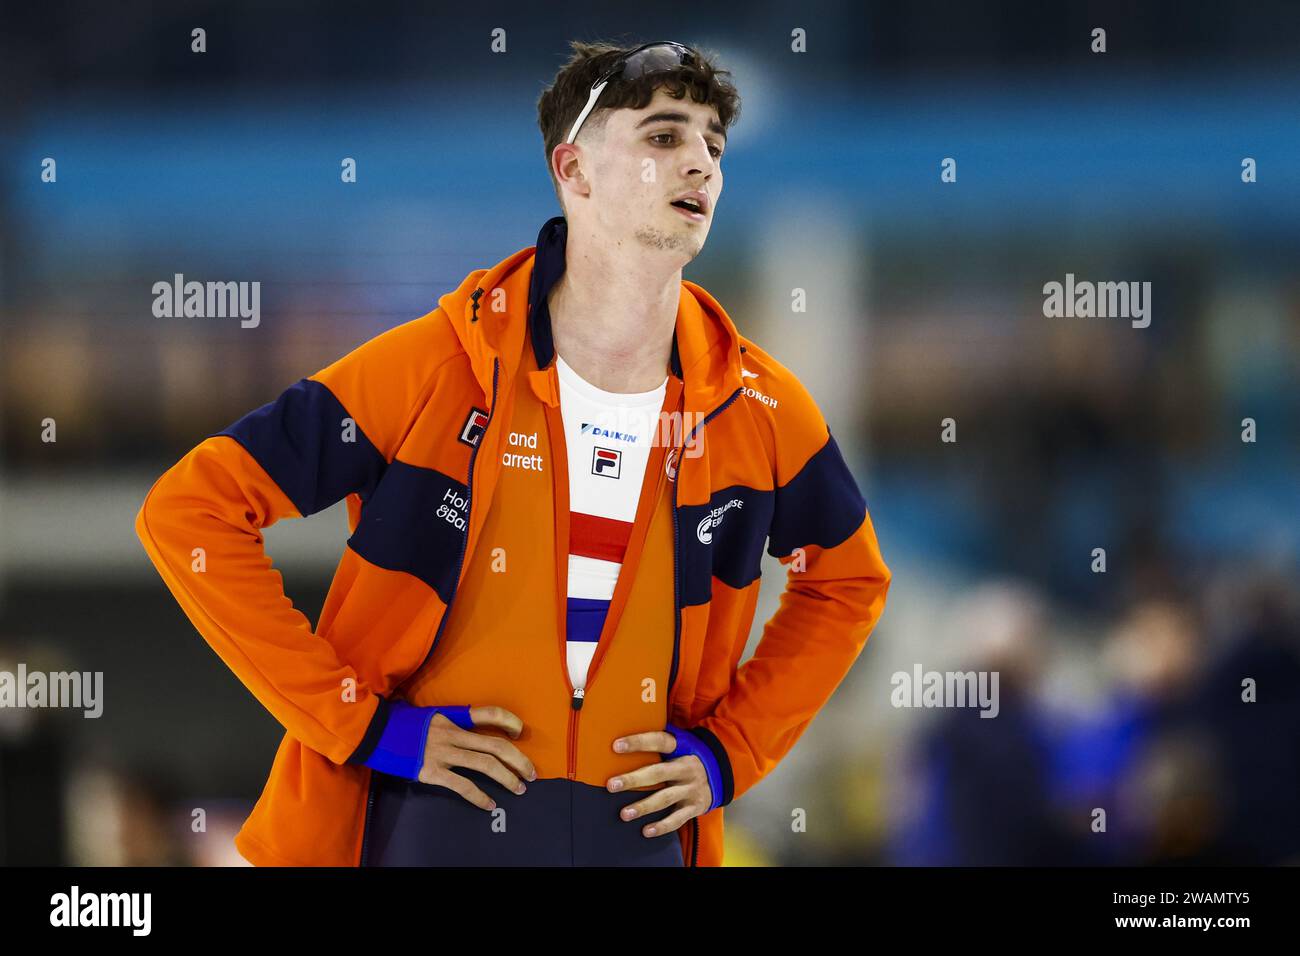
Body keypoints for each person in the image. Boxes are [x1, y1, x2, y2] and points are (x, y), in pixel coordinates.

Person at [134, 38, 891, 866]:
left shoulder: (761, 406)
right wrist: (360, 724)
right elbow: (190, 514)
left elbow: (847, 581)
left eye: (714, 145)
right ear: (574, 170)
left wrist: (731, 752)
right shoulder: (433, 368)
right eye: (664, 137)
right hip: (433, 818)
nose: (701, 166)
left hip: (638, 831)